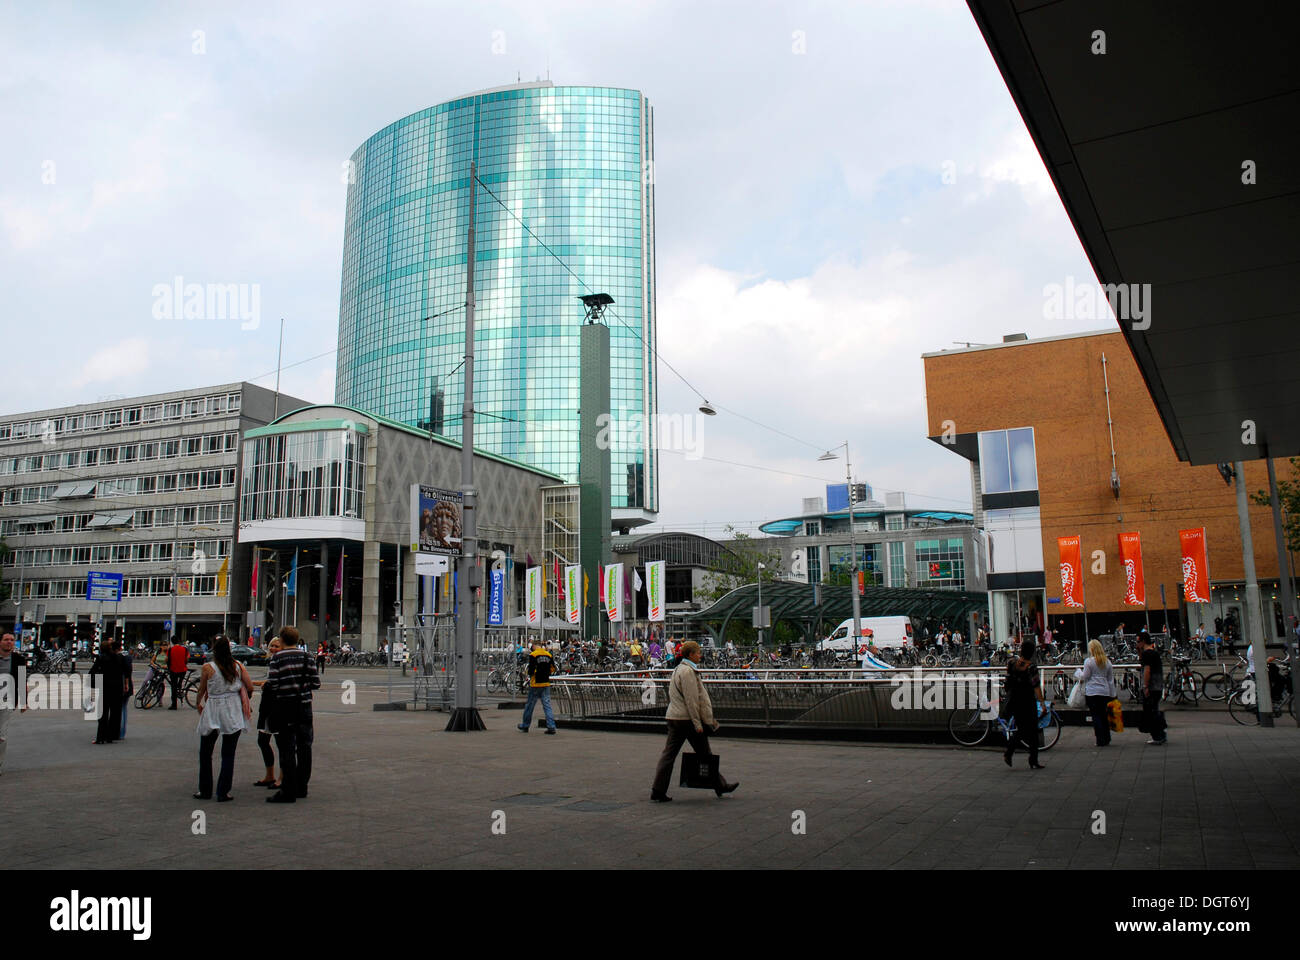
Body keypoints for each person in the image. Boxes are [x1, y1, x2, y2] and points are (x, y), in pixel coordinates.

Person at [650, 641, 738, 802]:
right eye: (698, 653)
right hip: (686, 719)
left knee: (669, 755)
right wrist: (697, 724)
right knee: (705, 754)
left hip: (675, 717)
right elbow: (692, 700)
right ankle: (720, 785)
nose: (700, 655)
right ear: (690, 654)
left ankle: (658, 789)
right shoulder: (688, 672)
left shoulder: (678, 669)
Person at [264, 626, 320, 803]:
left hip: (285, 707)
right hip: (304, 706)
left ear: (282, 639)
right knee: (305, 747)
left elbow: (272, 683)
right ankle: (302, 787)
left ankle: (288, 790)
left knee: (286, 748)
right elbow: (316, 683)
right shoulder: (307, 657)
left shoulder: (277, 658)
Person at [194, 637, 253, 801]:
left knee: (206, 752)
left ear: (214, 649)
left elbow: (202, 689)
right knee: (228, 753)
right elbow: (249, 686)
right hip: (233, 708)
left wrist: (198, 703)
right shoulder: (238, 665)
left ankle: (205, 790)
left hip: (213, 707)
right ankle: (223, 791)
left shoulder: (208, 667)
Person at [1002, 639, 1047, 769]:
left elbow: (1008, 678)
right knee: (1032, 730)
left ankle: (1023, 756)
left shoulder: (1012, 663)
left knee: (1023, 728)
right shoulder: (1031, 667)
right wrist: (1042, 703)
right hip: (1028, 701)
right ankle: (1030, 758)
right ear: (1032, 652)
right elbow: (1036, 687)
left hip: (1015, 701)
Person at [251, 637, 284, 788]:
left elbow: (277, 683)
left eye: (277, 646)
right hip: (267, 705)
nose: (273, 649)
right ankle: (269, 775)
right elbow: (270, 682)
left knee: (281, 743)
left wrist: (265, 684)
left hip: (277, 706)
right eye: (272, 646)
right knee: (262, 740)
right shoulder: (272, 662)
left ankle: (282, 777)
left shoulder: (282, 663)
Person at [1077, 639, 1115, 747]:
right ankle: (1107, 737)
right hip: (1104, 691)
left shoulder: (1089, 661)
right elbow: (1110, 679)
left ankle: (1100, 739)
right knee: (1104, 715)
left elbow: (1085, 676)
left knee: (1096, 716)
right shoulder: (1107, 661)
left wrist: (1078, 672)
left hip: (1092, 691)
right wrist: (1112, 694)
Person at [1, 634, 29, 776]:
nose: (9, 642)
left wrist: (24, 701)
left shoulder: (18, 659)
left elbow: (22, 680)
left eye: (12, 640)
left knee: (1, 736)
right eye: (6, 640)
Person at [517, 638, 557, 734]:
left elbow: (531, 670)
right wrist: (546, 672)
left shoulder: (533, 655)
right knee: (547, 705)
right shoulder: (548, 654)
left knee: (530, 705)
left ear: (534, 646)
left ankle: (525, 725)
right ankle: (551, 726)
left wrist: (531, 673)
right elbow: (553, 668)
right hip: (546, 682)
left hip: (535, 683)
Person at [89, 639, 125, 745]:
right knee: (114, 713)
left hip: (104, 687)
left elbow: (92, 672)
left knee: (103, 713)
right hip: (117, 688)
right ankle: (111, 736)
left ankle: (100, 738)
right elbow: (122, 671)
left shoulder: (101, 658)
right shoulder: (118, 657)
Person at [1138, 633, 1167, 745]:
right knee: (1155, 709)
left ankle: (1157, 735)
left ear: (1143, 641)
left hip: (1152, 686)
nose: (1137, 644)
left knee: (1151, 712)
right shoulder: (1154, 652)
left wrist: (1145, 686)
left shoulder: (1147, 654)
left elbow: (1147, 670)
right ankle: (1161, 733)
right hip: (1158, 685)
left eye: (1138, 641)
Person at [166, 637, 189, 709]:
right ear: (179, 641)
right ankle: (180, 686)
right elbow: (187, 658)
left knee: (173, 687)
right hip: (183, 670)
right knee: (179, 683)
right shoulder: (185, 649)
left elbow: (167, 659)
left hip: (173, 670)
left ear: (172, 642)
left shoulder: (170, 650)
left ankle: (174, 704)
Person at [117, 639, 133, 741]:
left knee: (120, 709)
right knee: (124, 708)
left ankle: (119, 732)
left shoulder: (117, 658)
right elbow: (129, 672)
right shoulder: (128, 658)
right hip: (127, 685)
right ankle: (122, 733)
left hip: (121, 686)